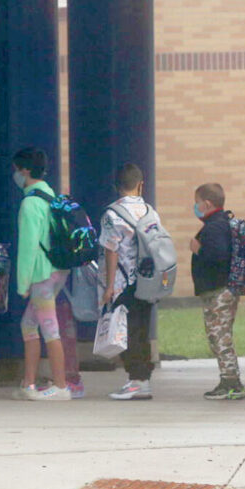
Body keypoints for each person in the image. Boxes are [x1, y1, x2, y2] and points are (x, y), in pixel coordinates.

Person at [12, 147, 71, 401]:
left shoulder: (29, 203)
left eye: (16, 170)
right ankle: (29, 384)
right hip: (58, 270)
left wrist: (22, 283)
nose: (15, 175)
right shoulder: (51, 196)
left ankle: (60, 386)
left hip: (41, 274)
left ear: (25, 170)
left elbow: (27, 247)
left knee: (50, 328)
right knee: (28, 324)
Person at [99, 163, 159, 401]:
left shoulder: (112, 214)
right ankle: (142, 379)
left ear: (117, 187)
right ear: (141, 184)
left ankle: (136, 381)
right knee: (142, 329)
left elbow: (110, 251)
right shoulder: (150, 211)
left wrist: (109, 286)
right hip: (148, 280)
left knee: (127, 332)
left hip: (124, 283)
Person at [192, 182, 245, 400]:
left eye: (197, 203)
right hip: (222, 289)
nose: (195, 207)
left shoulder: (214, 227)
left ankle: (230, 383)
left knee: (219, 336)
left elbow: (218, 257)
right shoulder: (222, 223)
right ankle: (230, 379)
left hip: (218, 290)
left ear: (206, 203)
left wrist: (199, 250)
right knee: (219, 335)